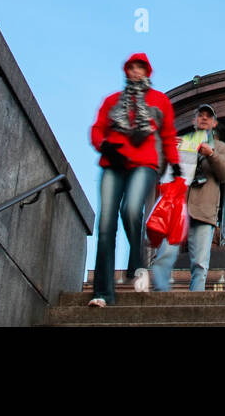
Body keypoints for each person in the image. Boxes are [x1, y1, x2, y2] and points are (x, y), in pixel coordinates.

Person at [88, 53, 178, 308]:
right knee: (105, 225)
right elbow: (97, 128)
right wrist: (102, 144)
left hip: (144, 163)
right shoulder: (112, 101)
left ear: (147, 72)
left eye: (141, 68)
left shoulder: (159, 100)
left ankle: (137, 260)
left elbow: (169, 135)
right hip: (113, 163)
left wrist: (176, 168)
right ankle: (103, 293)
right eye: (132, 68)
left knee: (130, 210)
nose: (136, 72)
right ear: (126, 71)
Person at [150, 104, 225, 292]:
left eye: (208, 116)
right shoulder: (181, 143)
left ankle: (195, 299)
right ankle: (158, 296)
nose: (204, 119)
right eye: (200, 116)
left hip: (203, 210)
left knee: (199, 262)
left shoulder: (220, 147)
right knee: (164, 255)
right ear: (194, 121)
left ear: (214, 123)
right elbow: (161, 167)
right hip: (177, 207)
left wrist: (211, 154)